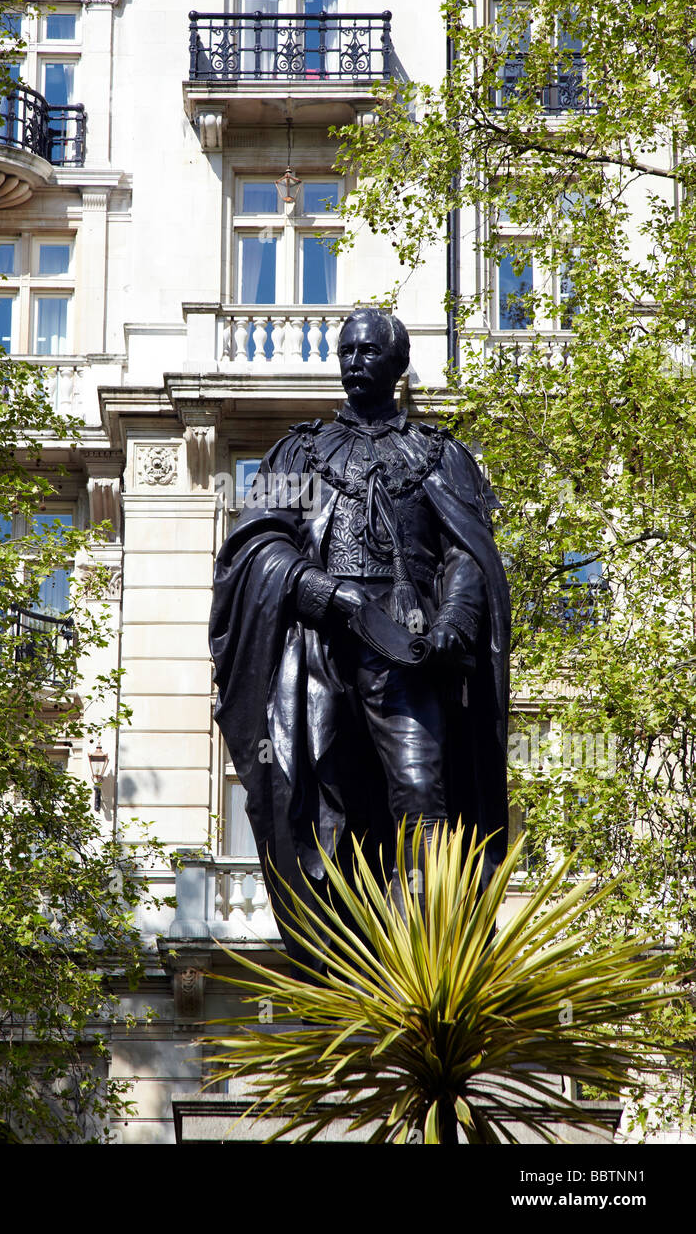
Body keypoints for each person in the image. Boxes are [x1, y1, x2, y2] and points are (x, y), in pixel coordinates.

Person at [209, 308, 510, 970]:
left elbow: (469, 554)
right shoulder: (301, 450)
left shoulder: (443, 454)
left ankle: (430, 949)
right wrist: (321, 592)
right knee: (325, 794)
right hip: (322, 646)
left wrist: (454, 623)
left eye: (370, 351)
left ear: (398, 364)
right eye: (347, 351)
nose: (354, 361)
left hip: (408, 648)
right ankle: (342, 945)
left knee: (420, 788)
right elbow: (258, 543)